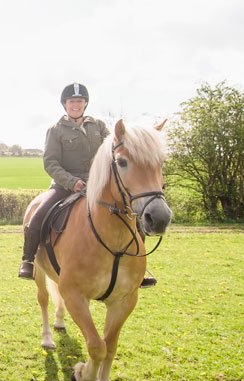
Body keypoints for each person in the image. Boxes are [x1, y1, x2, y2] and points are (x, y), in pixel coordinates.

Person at [18, 83, 157, 288]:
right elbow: (50, 162)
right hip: (64, 186)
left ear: (85, 104)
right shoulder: (55, 130)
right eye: (71, 101)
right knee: (38, 216)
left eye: (79, 101)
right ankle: (28, 260)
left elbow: (112, 150)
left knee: (132, 217)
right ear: (65, 104)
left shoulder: (98, 126)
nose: (75, 105)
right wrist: (71, 181)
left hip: (98, 184)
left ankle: (138, 267)